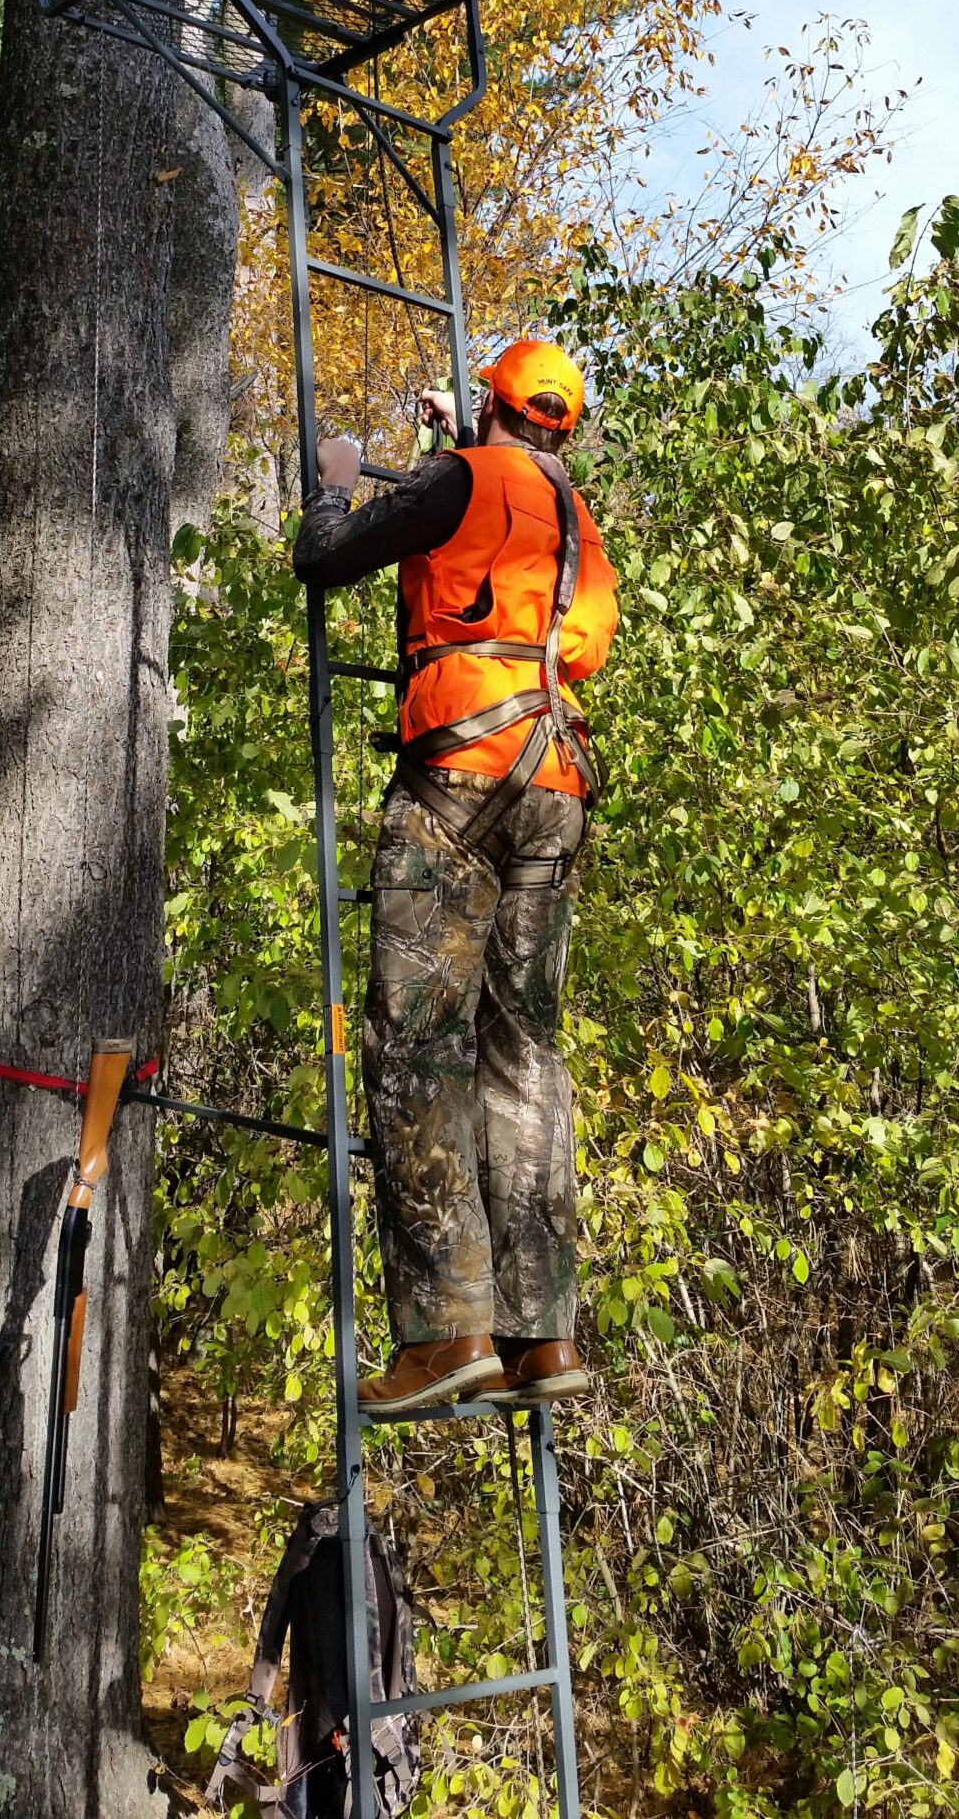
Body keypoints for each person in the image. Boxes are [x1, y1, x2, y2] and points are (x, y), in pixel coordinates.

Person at [293, 338, 618, 1415]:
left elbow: (326, 559)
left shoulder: (461, 478)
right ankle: (544, 1338)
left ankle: (447, 1331)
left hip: (459, 779)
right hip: (556, 783)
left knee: (415, 1038)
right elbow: (533, 605)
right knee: (523, 1050)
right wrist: (450, 442)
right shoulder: (574, 517)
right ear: (560, 429)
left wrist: (338, 485)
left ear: (492, 410)